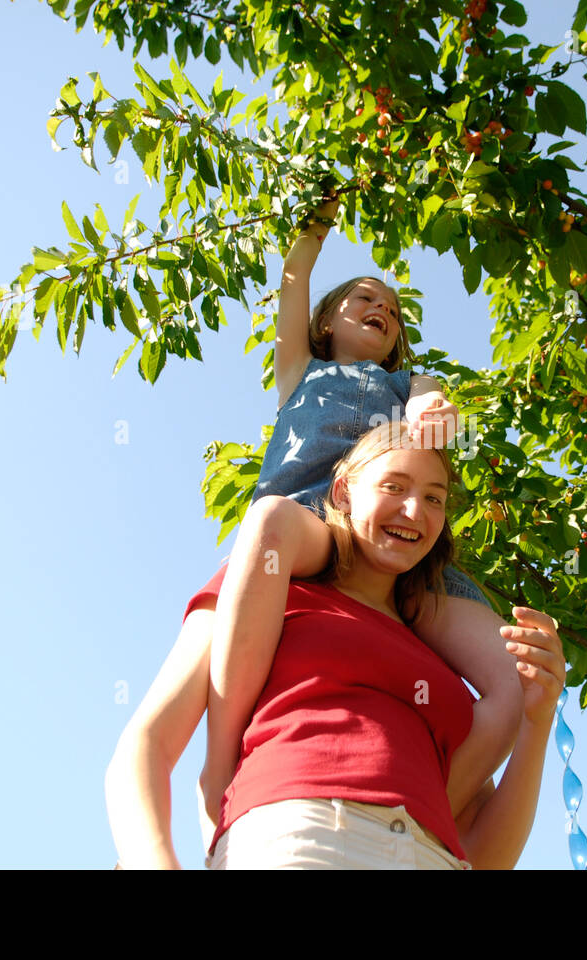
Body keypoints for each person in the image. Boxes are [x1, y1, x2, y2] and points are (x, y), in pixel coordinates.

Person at [200, 194, 523, 832]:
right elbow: (294, 280)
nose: (383, 310)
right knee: (268, 524)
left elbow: (436, 409)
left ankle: (436, 814)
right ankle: (221, 764)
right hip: (317, 526)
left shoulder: (408, 384)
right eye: (364, 299)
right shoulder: (302, 370)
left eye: (395, 311)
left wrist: (436, 413)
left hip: (400, 544)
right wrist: (315, 226)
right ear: (326, 323)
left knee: (515, 678)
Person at [109, 421, 562, 868]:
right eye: (394, 486)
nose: (414, 511)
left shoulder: (441, 669)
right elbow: (146, 744)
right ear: (344, 492)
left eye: (434, 498)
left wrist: (537, 721)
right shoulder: (267, 585)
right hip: (302, 835)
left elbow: (483, 858)